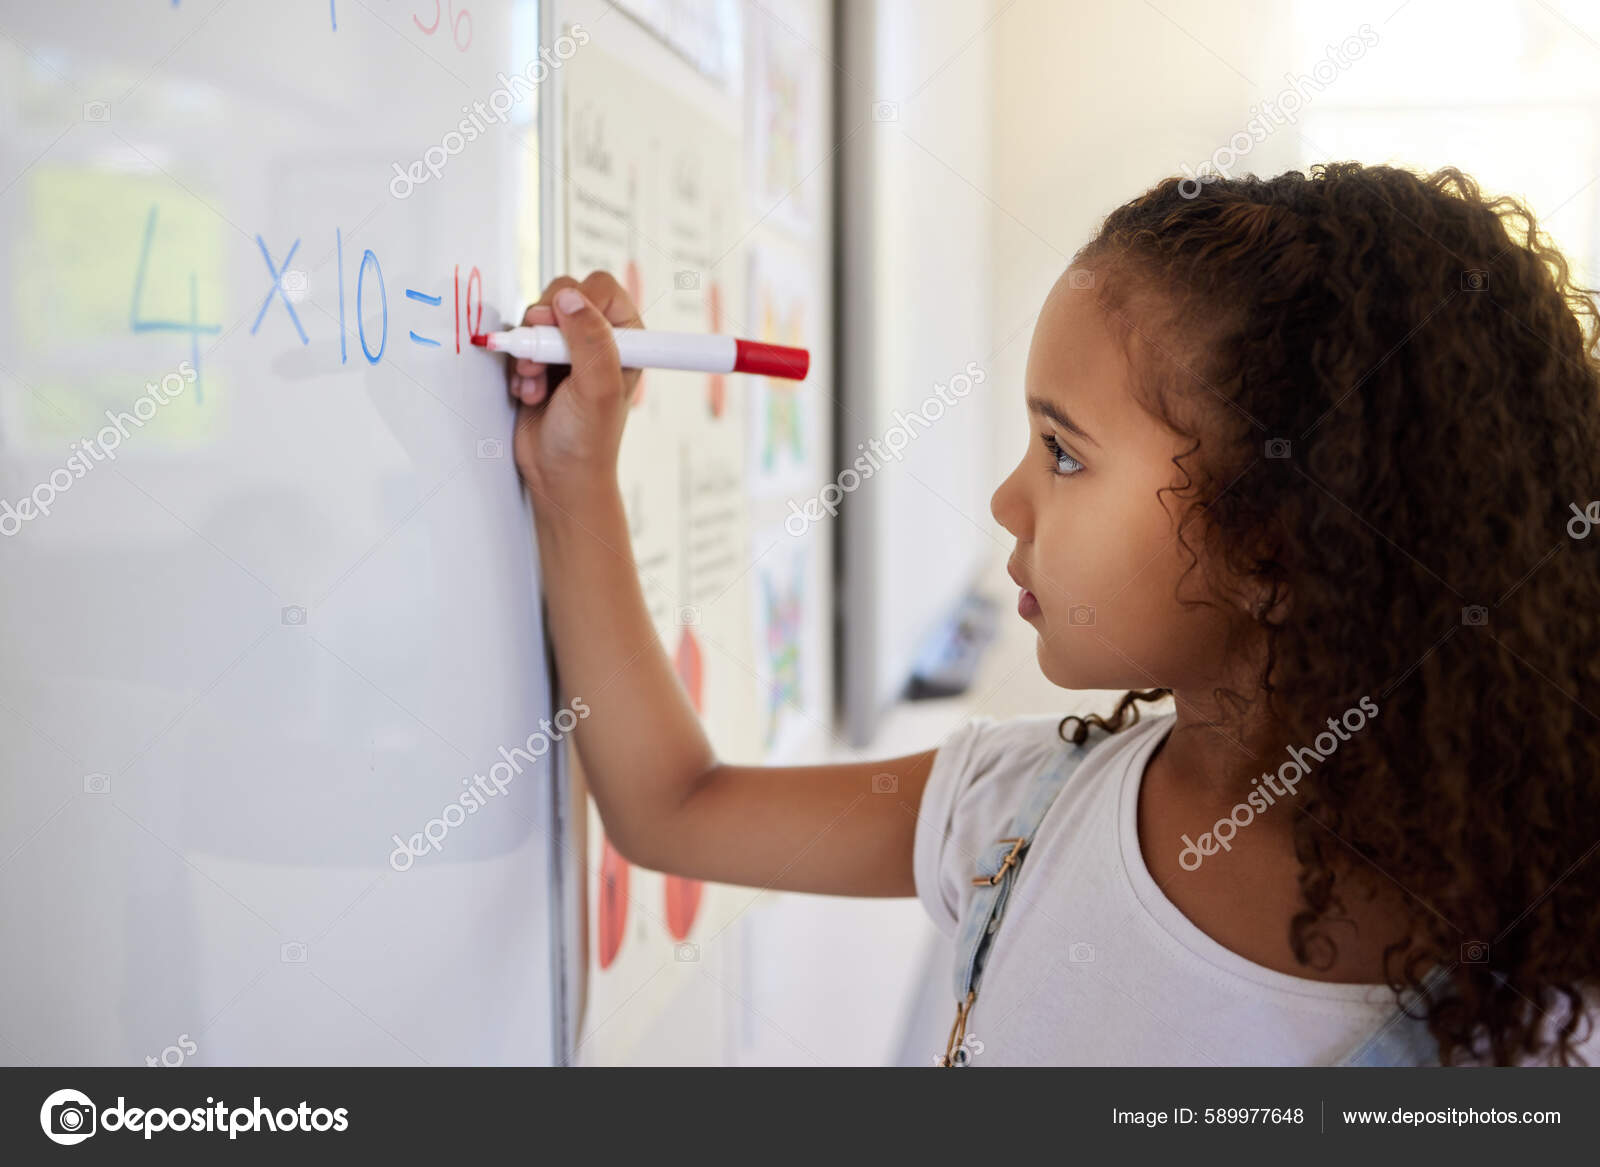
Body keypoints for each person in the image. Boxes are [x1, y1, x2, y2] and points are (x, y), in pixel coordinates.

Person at [505, 163, 1600, 1066]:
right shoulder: (1019, 813)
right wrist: (575, 480)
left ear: (1272, 547)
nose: (1004, 501)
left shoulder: (1527, 1018)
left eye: (1064, 454)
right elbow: (673, 805)